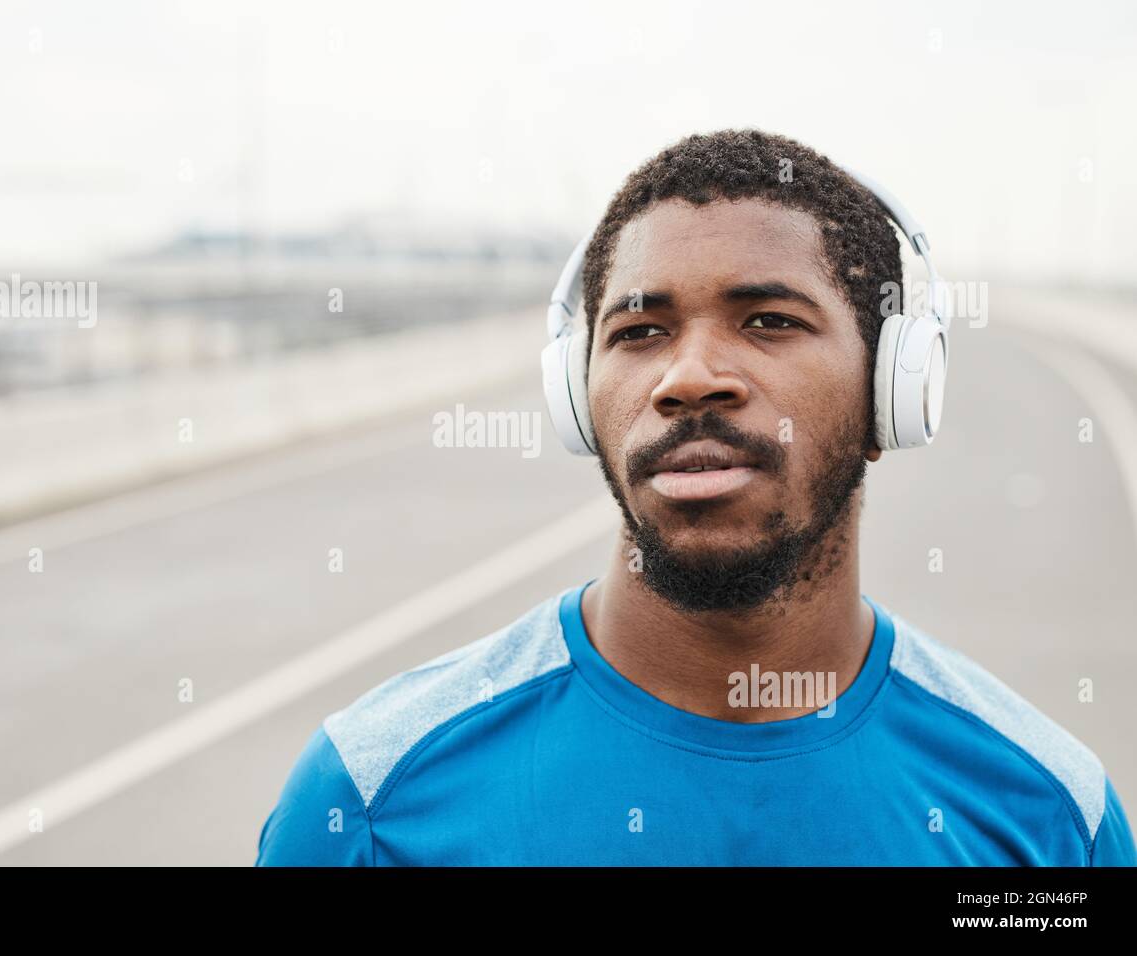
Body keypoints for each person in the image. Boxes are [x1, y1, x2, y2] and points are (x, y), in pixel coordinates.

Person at [256, 129, 1136, 866]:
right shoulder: (370, 805)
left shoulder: (1049, 822)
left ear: (895, 390)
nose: (688, 378)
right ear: (577, 395)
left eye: (769, 322)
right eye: (639, 332)